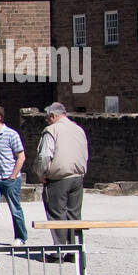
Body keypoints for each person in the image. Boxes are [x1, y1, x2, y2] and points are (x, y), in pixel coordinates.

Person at [35, 102, 88, 260]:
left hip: (59, 177)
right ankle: (73, 251)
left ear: (53, 116)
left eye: (47, 118)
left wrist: (41, 172)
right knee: (74, 214)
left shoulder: (52, 130)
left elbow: (45, 155)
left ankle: (58, 250)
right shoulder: (79, 129)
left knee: (57, 214)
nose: (47, 121)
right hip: (78, 177)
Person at [0, 105, 27, 245]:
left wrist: (13, 175)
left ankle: (20, 237)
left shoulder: (11, 134)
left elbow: (21, 156)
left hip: (10, 178)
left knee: (15, 210)